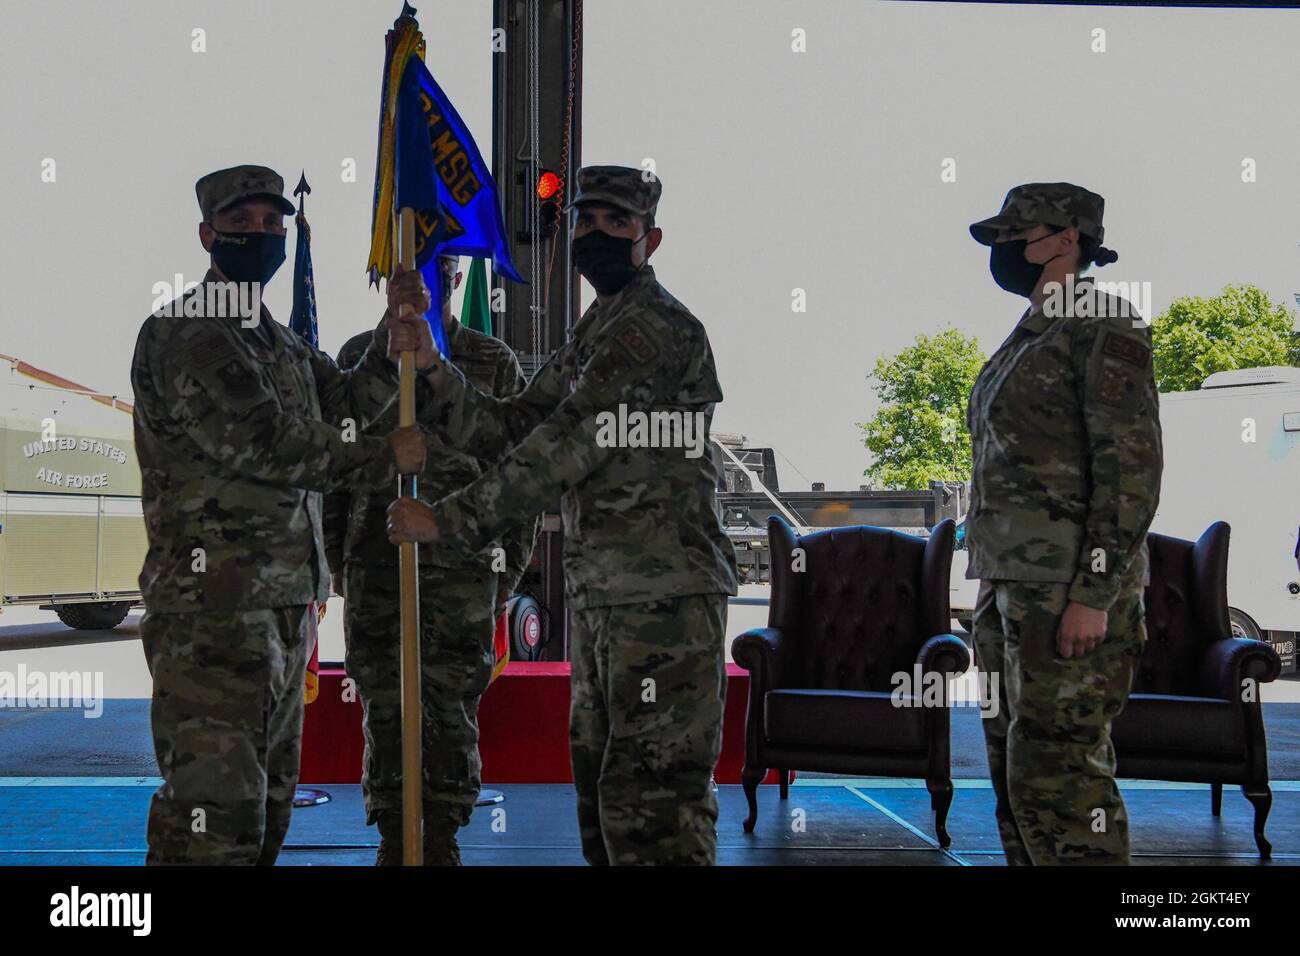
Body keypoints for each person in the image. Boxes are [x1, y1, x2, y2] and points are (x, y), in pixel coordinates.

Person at [385, 166, 739, 865]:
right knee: (606, 799)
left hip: (665, 595)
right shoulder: (596, 329)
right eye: (585, 221)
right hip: (609, 595)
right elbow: (516, 424)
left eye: (618, 224)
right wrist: (430, 365)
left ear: (651, 239)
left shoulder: (654, 331)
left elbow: (564, 449)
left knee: (656, 807)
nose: (596, 234)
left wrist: (447, 521)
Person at [130, 164, 437, 864]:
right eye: (243, 225)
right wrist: (385, 455)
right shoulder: (189, 332)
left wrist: (398, 340)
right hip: (213, 610)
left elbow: (350, 405)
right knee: (211, 816)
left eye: (273, 224)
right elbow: (262, 442)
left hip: (282, 605)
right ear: (209, 235)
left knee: (266, 812)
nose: (261, 236)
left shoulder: (281, 342)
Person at [965, 182, 1163, 865]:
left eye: (1013, 236)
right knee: (1017, 781)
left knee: (1064, 781)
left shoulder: (1102, 322)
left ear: (1067, 239)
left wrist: (1092, 594)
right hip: (1011, 587)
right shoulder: (1028, 335)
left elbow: (1130, 472)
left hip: (1065, 593)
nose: (1002, 250)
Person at [324, 254, 537, 865]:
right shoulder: (359, 356)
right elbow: (335, 470)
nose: (427, 277)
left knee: (448, 712)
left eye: (440, 264)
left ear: (457, 277)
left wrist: (506, 572)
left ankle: (441, 839)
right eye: (412, 265)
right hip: (376, 566)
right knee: (385, 712)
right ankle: (394, 839)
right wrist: (338, 561)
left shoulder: (491, 361)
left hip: (462, 574)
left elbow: (517, 476)